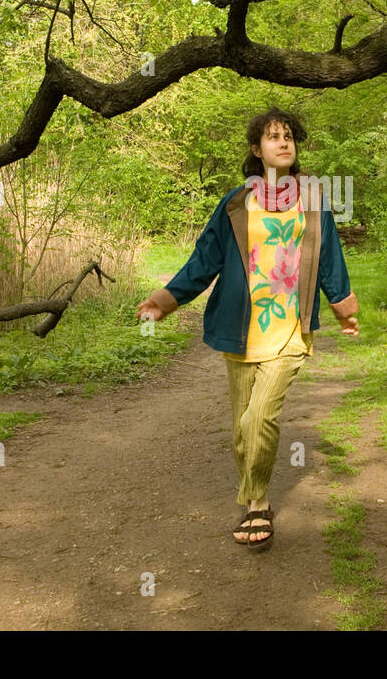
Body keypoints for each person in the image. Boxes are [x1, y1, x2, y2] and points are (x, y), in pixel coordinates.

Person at [136, 108, 359, 551]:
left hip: (289, 330)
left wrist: (343, 307)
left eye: (289, 136)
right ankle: (257, 496)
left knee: (259, 418)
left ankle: (255, 503)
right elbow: (205, 259)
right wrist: (164, 300)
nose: (283, 143)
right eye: (273, 137)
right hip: (240, 328)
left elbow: (330, 257)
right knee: (242, 428)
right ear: (256, 150)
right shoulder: (237, 203)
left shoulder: (312, 200)